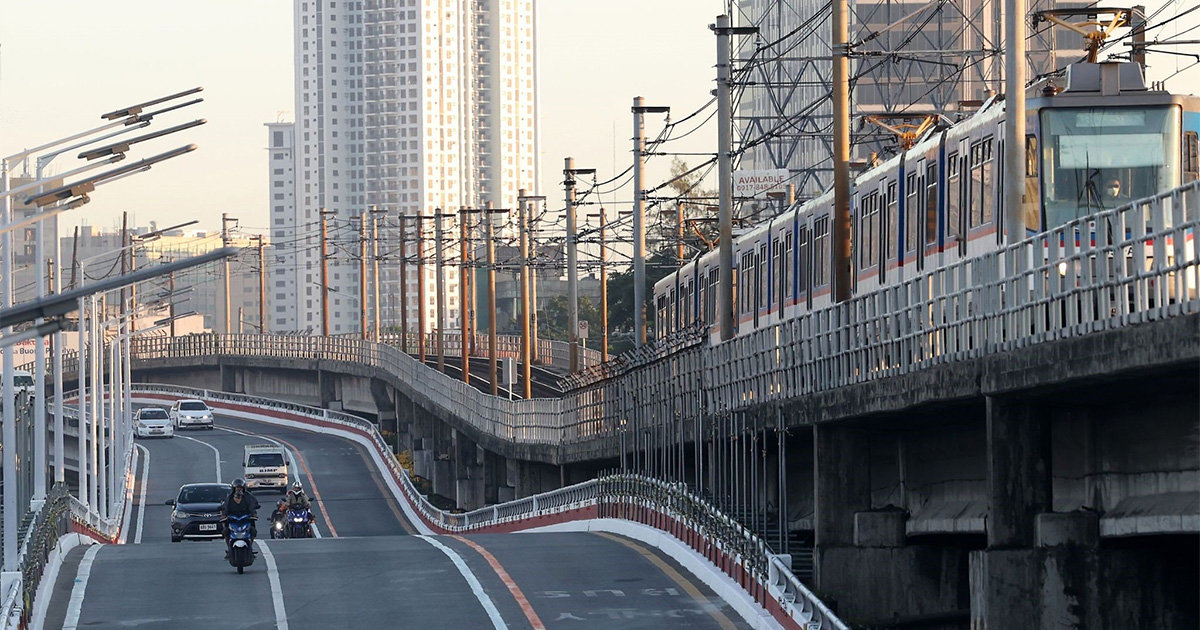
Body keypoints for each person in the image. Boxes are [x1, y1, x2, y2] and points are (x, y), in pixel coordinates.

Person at [221, 478, 260, 559]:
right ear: (233, 488)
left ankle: (250, 547)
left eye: (240, 488)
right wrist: (224, 515)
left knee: (253, 530)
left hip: (246, 519)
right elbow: (225, 507)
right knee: (225, 531)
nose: (239, 490)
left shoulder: (248, 497)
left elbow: (253, 505)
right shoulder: (229, 498)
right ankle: (229, 549)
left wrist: (254, 513)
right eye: (237, 488)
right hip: (232, 520)